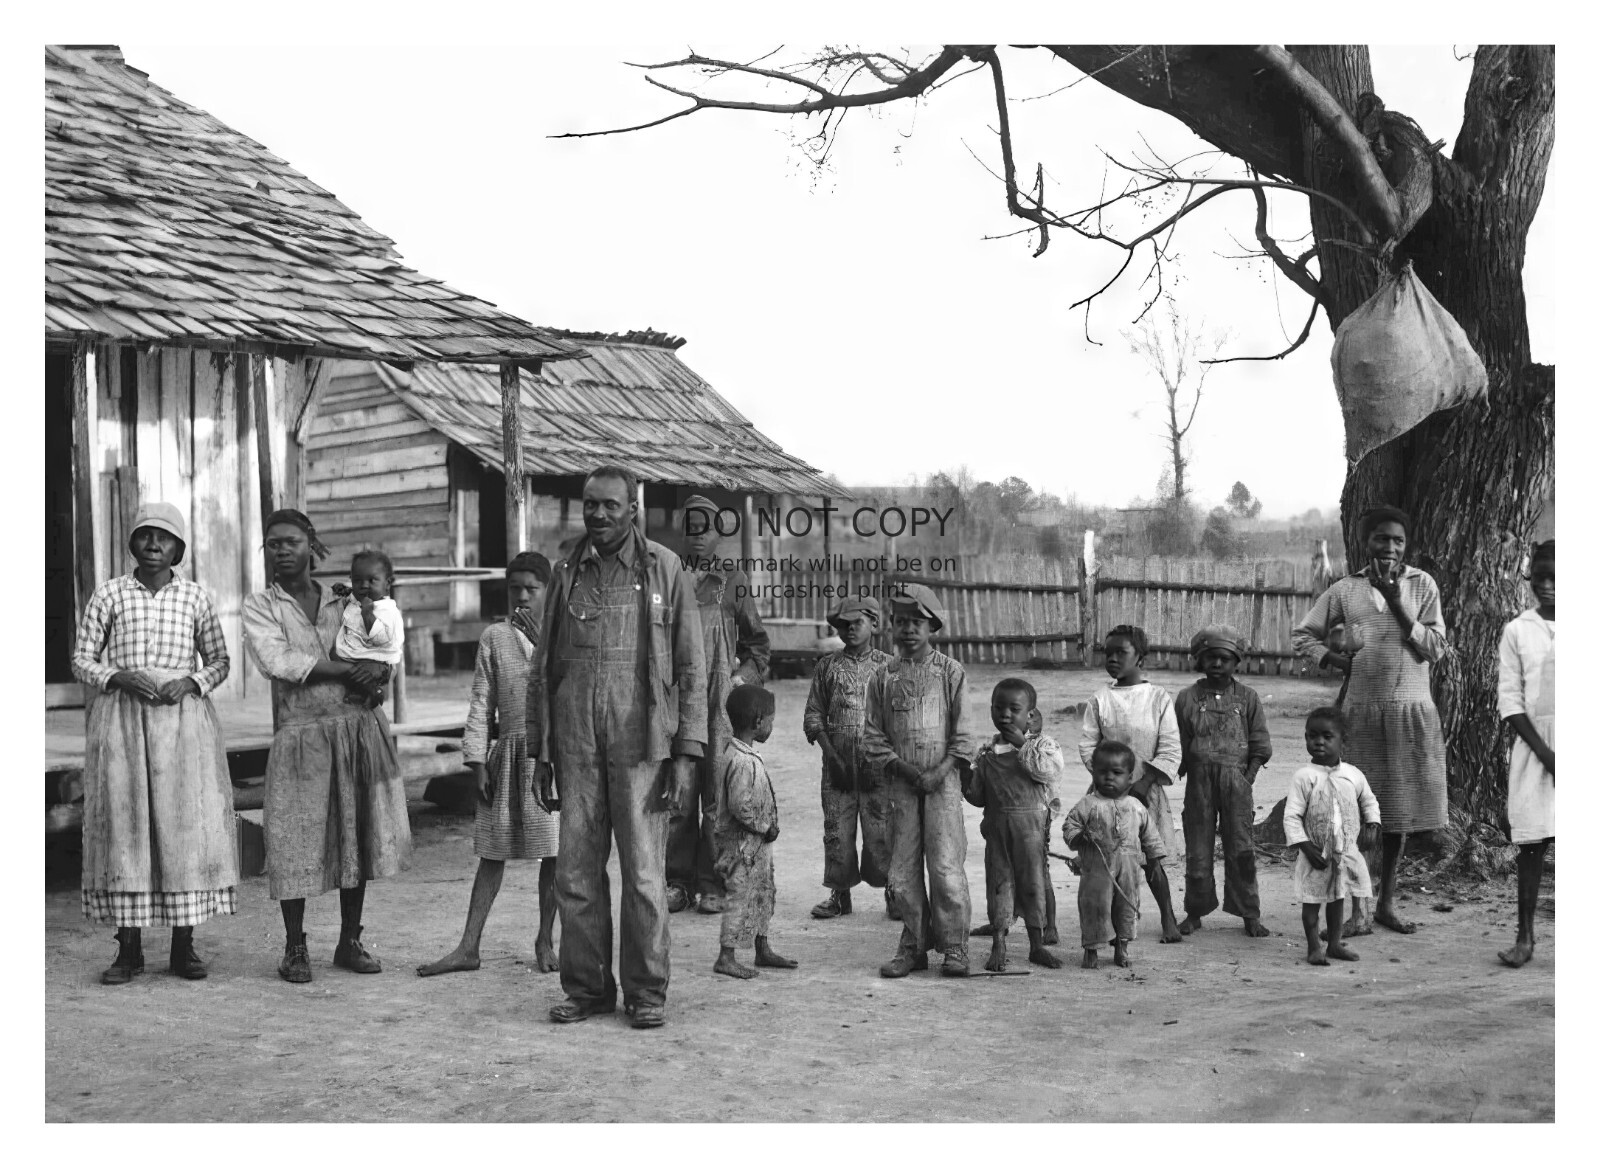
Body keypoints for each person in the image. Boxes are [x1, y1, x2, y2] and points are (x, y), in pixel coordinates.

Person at [525, 465, 707, 1029]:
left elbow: (690, 666)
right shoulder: (566, 571)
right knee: (576, 873)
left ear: (634, 508)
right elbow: (543, 668)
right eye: (590, 505)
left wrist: (686, 753)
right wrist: (541, 751)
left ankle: (647, 992)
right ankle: (586, 989)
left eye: (610, 505)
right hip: (577, 743)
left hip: (643, 747)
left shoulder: (665, 569)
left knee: (646, 875)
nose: (598, 515)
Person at [72, 501, 238, 984]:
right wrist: (119, 676)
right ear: (132, 543)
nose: (153, 544)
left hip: (182, 725)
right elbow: (83, 659)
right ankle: (129, 950)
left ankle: (184, 948)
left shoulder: (196, 599)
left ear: (178, 549)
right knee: (127, 826)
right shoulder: (109, 595)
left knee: (181, 825)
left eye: (163, 538)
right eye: (144, 535)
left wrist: (190, 683)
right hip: (122, 722)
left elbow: (220, 661)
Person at [242, 509, 411, 983]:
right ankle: (296, 947)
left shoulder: (345, 598)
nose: (281, 549)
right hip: (300, 731)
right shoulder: (261, 606)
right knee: (292, 836)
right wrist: (343, 669)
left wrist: (379, 675)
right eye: (273, 542)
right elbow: (278, 660)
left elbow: (382, 643)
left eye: (291, 540)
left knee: (354, 831)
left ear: (310, 544)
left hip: (356, 724)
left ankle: (349, 939)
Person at [1292, 506, 1448, 936]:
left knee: (1396, 816)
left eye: (1398, 540)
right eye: (1382, 539)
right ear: (1367, 542)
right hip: (1361, 715)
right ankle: (1355, 909)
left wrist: (1397, 601)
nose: (1391, 547)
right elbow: (1303, 634)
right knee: (1351, 813)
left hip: (1409, 713)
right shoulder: (1346, 590)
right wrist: (1336, 659)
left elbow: (1434, 648)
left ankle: (1387, 903)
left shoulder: (1421, 585)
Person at [417, 552, 560, 978]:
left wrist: (546, 646)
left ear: (548, 591)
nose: (521, 596)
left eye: (531, 589)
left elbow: (564, 691)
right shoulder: (494, 637)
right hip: (508, 756)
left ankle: (544, 940)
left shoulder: (562, 636)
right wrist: (477, 760)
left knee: (554, 852)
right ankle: (468, 946)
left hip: (550, 758)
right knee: (491, 852)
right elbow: (481, 702)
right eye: (514, 588)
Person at [862, 584, 976, 978]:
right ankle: (913, 944)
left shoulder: (950, 672)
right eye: (902, 622)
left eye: (918, 622)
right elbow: (873, 736)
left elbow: (963, 736)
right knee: (903, 870)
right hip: (901, 787)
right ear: (892, 627)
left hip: (942, 787)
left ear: (932, 627)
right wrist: (907, 772)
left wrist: (940, 772)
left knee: (945, 867)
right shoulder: (882, 676)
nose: (909, 629)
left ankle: (955, 947)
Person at [668, 495, 771, 916]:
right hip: (675, 703)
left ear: (718, 533)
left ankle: (713, 882)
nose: (698, 534)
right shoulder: (665, 578)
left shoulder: (733, 581)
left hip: (719, 708)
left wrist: (739, 679)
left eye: (706, 527)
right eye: (691, 526)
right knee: (677, 793)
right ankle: (677, 881)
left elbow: (758, 646)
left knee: (717, 797)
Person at [1077, 624, 1184, 943]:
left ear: (1140, 657)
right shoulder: (1101, 699)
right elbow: (1087, 744)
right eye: (1107, 653)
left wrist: (1143, 781)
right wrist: (1106, 778)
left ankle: (1168, 917)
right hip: (1106, 792)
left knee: (1152, 858)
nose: (1112, 658)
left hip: (1146, 792)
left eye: (1120, 653)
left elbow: (1170, 747)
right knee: (1105, 859)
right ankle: (1109, 926)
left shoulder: (1157, 698)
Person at [1174, 624, 1273, 937]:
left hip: (1237, 784)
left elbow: (1260, 745)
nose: (1217, 664)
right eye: (1210, 657)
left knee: (1241, 849)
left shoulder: (1248, 698)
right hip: (1199, 785)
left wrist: (1247, 778)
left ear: (1236, 662)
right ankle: (1195, 912)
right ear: (1200, 660)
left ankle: (1249, 915)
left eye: (1224, 658)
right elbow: (1177, 741)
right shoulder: (1187, 698)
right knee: (1198, 850)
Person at [963, 678, 1066, 971]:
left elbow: (1048, 771)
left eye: (1014, 708)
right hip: (998, 832)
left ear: (1031, 716)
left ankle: (1037, 945)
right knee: (999, 885)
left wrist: (1023, 744)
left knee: (1033, 885)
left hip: (1031, 834)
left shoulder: (1043, 746)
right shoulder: (987, 752)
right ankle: (999, 943)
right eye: (998, 707)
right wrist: (963, 777)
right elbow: (978, 797)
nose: (1005, 714)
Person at [802, 595, 894, 921]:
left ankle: (893, 892)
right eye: (843, 624)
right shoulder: (827, 666)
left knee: (881, 831)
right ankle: (840, 895)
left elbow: (897, 722)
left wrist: (879, 759)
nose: (850, 629)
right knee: (837, 832)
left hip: (878, 770)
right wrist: (833, 756)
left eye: (857, 622)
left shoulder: (889, 667)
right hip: (836, 769)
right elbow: (814, 716)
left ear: (874, 624)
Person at [1282, 708, 1381, 966]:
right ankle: (1314, 947)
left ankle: (1335, 944)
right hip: (1316, 854)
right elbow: (1292, 816)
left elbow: (1369, 801)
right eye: (1313, 736)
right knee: (1312, 902)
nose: (1319, 742)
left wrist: (1372, 824)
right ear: (1305, 739)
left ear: (1342, 740)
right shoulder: (1304, 777)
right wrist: (1305, 846)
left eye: (1327, 736)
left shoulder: (1353, 774)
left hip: (1345, 852)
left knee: (1338, 899)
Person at [1496, 540, 1555, 969]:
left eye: (1559, 578)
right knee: (1532, 844)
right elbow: (1510, 700)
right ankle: (1525, 937)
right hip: (1536, 749)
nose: (1549, 586)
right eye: (1540, 577)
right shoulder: (1517, 630)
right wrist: (1546, 754)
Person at [712, 685, 797, 978]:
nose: (772, 725)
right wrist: (764, 827)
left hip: (755, 846)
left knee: (762, 892)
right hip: (742, 846)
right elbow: (739, 805)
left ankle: (762, 947)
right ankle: (726, 956)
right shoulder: (741, 760)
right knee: (739, 896)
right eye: (771, 720)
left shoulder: (743, 754)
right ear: (758, 721)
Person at [1063, 741, 1167, 969]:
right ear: (1093, 773)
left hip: (1128, 870)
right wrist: (1080, 837)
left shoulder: (1136, 806)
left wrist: (1155, 861)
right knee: (1094, 907)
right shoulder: (1088, 804)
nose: (1109, 778)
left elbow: (1150, 837)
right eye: (1102, 772)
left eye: (1117, 773)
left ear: (1130, 778)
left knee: (1126, 907)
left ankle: (1122, 948)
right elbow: (1069, 826)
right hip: (1096, 871)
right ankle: (1091, 949)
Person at [331, 549, 403, 706]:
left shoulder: (387, 610)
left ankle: (373, 692)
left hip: (377, 663)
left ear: (387, 583)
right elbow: (349, 598)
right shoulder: (357, 599)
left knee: (366, 673)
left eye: (372, 581)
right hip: (353, 657)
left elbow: (382, 639)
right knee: (334, 659)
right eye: (357, 581)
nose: (364, 586)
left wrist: (368, 614)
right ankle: (360, 693)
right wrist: (344, 590)